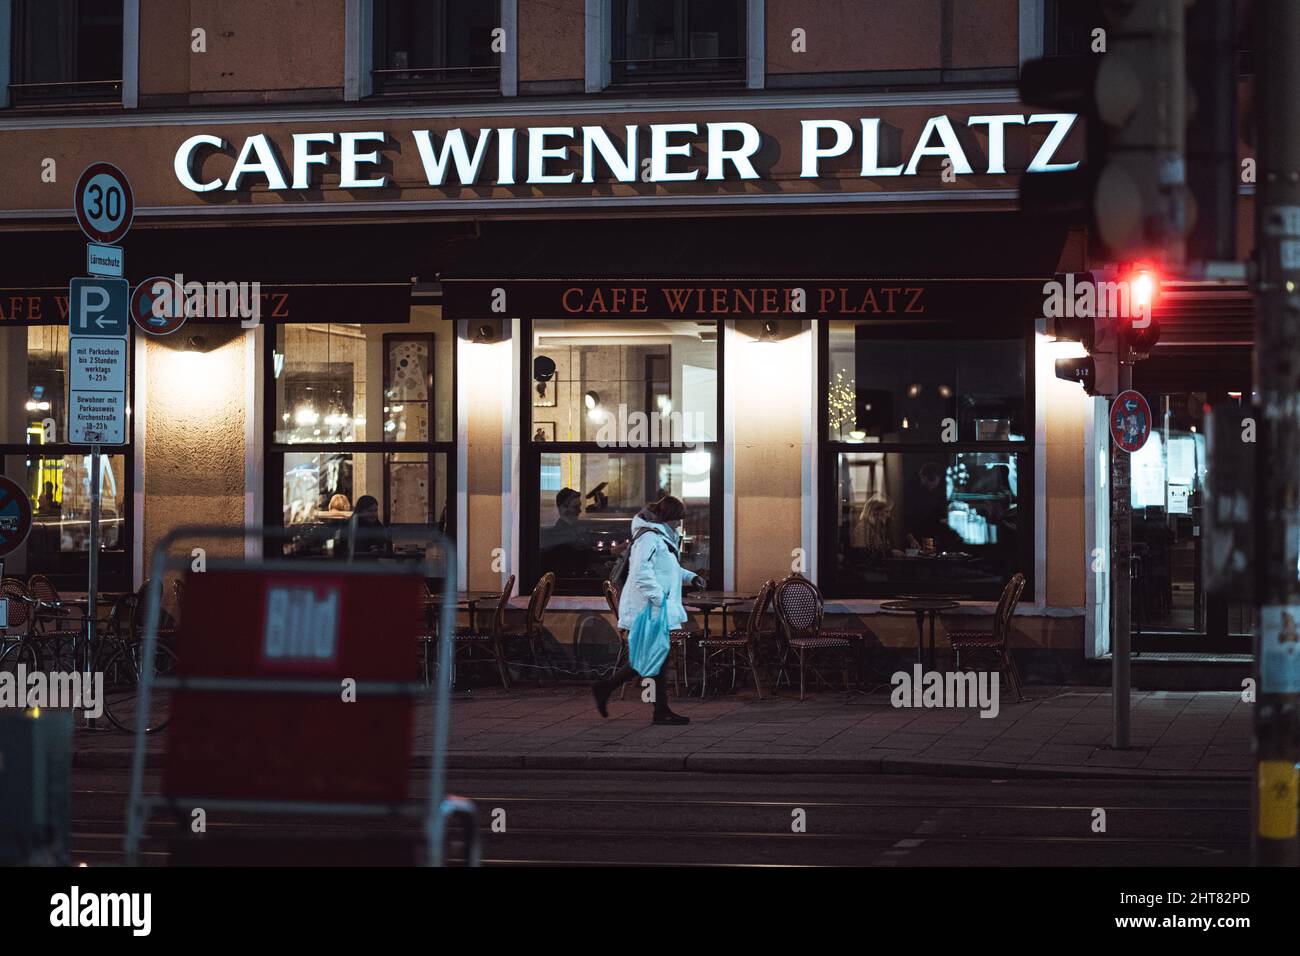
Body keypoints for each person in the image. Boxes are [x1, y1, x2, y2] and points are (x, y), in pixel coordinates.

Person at [591, 495, 705, 725]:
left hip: (654, 609)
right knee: (655, 657)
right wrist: (659, 598)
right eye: (678, 519)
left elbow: (669, 570)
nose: (679, 524)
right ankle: (654, 708)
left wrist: (691, 578)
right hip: (649, 610)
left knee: (654, 657)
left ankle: (613, 690)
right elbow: (642, 573)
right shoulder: (649, 539)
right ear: (668, 518)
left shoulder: (660, 538)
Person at [334, 494, 391, 559]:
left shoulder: (377, 525)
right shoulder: (351, 526)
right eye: (369, 511)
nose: (374, 514)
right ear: (360, 511)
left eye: (375, 510)